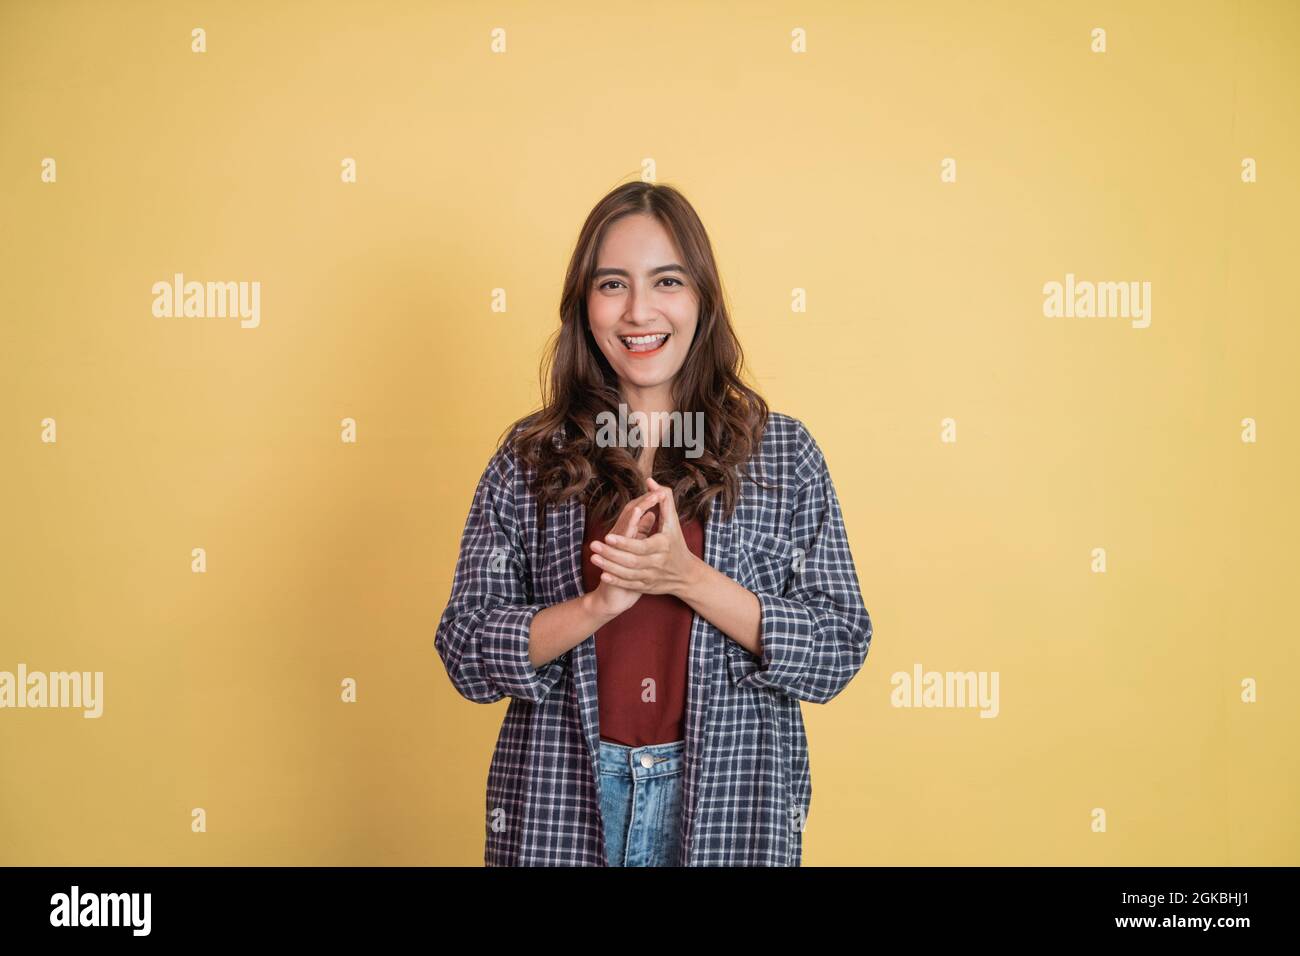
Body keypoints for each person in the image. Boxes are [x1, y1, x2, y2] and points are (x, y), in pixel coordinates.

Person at [435, 181, 872, 866]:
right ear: (585, 306)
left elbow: (838, 648)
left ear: (702, 298)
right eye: (613, 284)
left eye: (667, 281)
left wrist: (687, 578)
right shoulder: (532, 456)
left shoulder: (782, 454)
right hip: (560, 802)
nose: (639, 310)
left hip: (729, 802)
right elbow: (465, 651)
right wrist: (596, 605)